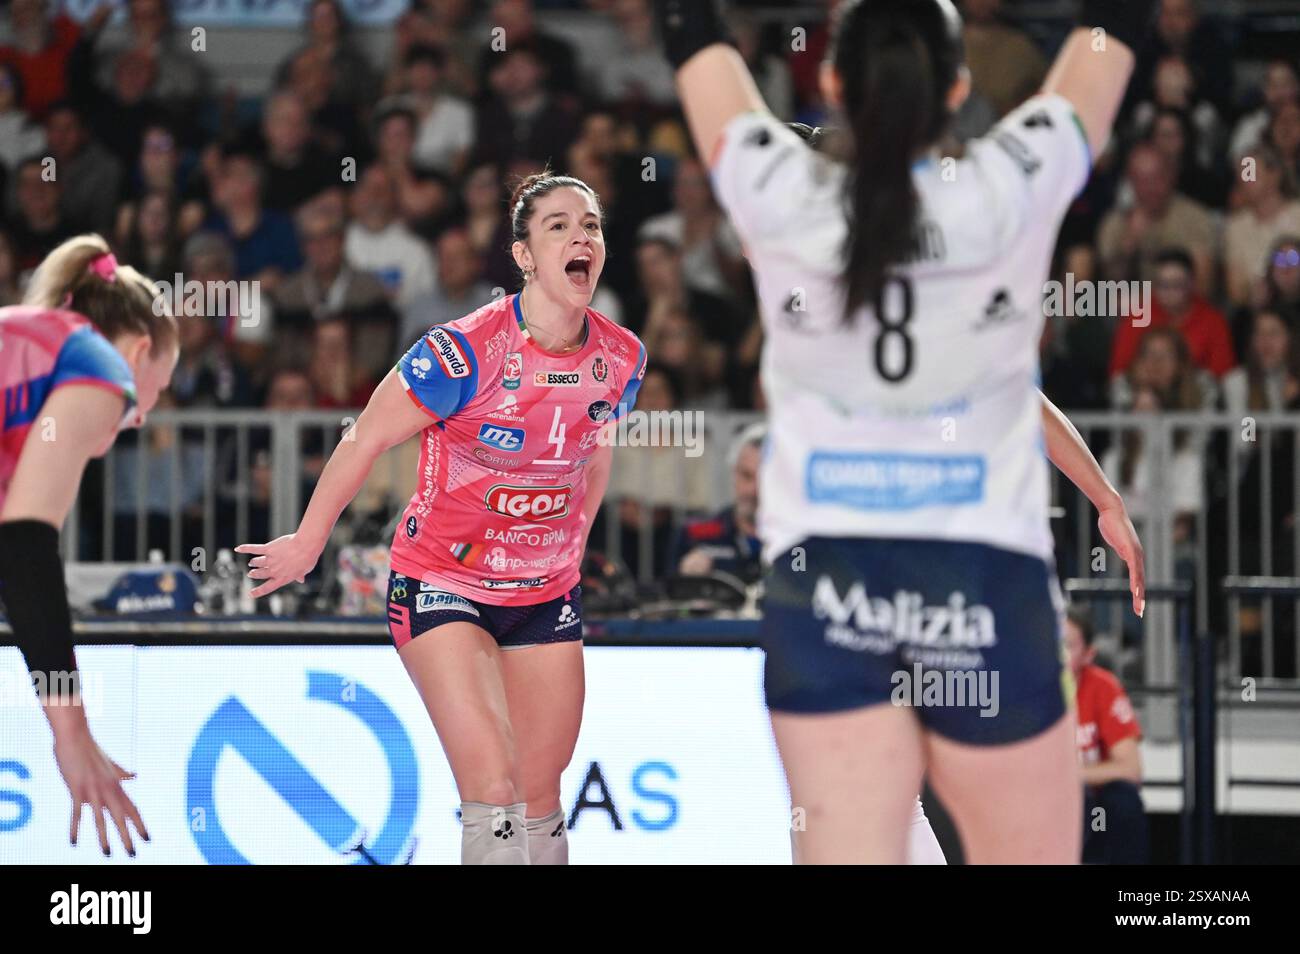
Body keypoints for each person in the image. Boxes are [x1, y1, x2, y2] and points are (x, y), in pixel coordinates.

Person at [656, 0, 1149, 863]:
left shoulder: (776, 187)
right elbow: (1113, 37)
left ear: (833, 82)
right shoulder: (1013, 182)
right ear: (958, 86)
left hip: (829, 592)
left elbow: (692, 36)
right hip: (985, 585)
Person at [237, 171, 647, 865]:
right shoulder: (463, 351)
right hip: (441, 584)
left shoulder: (621, 357)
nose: (582, 237)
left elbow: (596, 445)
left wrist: (576, 541)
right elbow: (363, 436)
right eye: (559, 226)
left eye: (592, 226)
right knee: (495, 786)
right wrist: (309, 541)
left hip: (543, 593)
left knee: (543, 796)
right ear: (523, 256)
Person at [0, 233, 177, 857]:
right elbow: (23, 549)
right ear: (141, 351)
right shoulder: (100, 367)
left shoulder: (32, 344)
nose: (140, 417)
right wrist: (70, 732)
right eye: (155, 391)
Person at [1063, 607, 1148, 864]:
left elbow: (1130, 769)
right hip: (1040, 795)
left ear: (1088, 654)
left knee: (1123, 801)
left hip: (1091, 798)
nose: (1058, 653)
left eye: (1068, 645)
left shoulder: (1103, 686)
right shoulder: (1027, 689)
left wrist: (1073, 775)